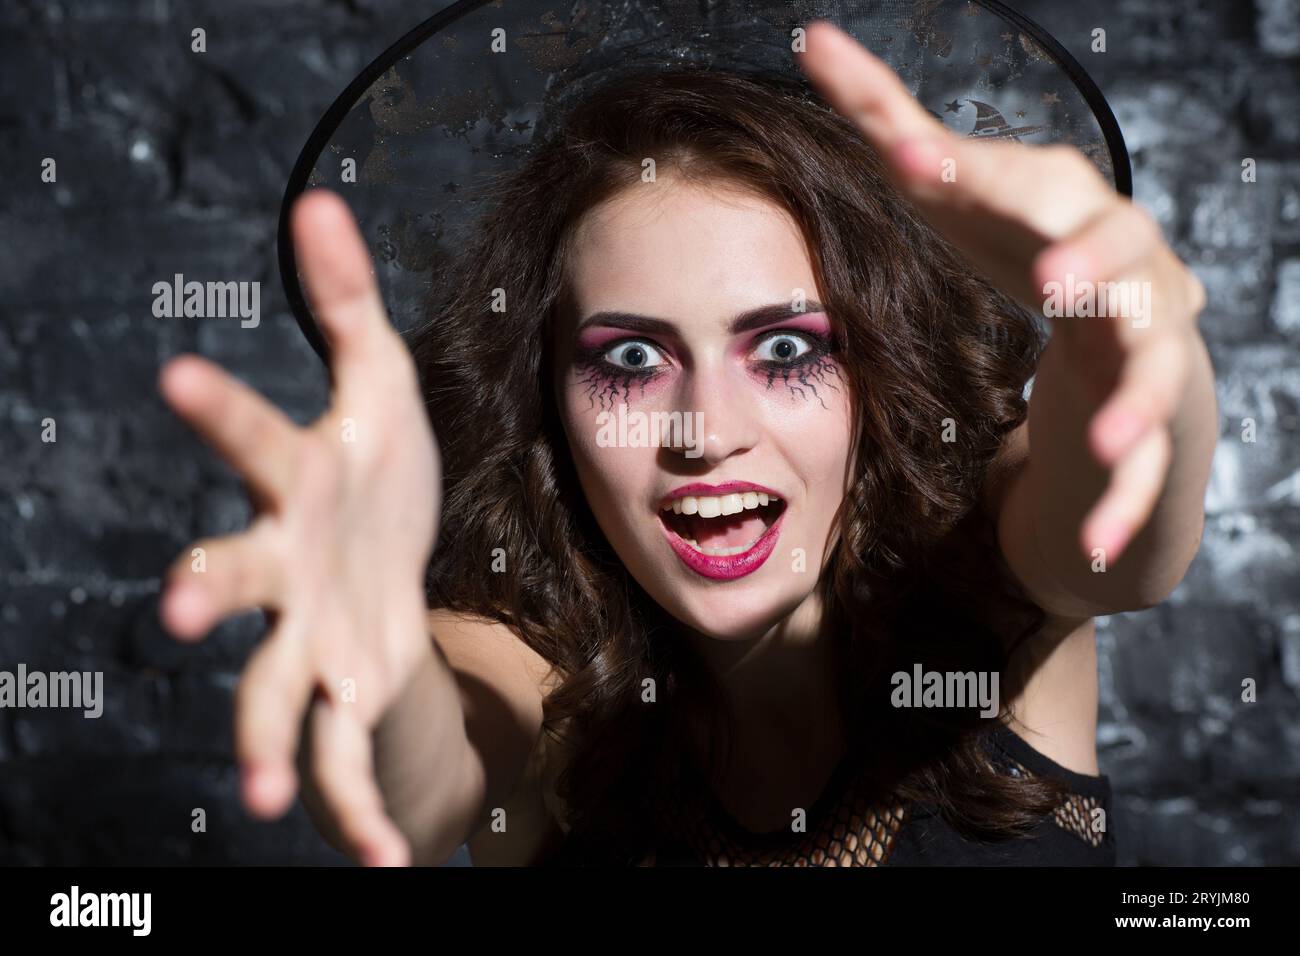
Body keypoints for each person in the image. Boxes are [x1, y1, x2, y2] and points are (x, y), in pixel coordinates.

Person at [156, 21, 1217, 866]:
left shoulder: (989, 589)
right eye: (627, 362)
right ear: (547, 401)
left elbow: (1115, 530)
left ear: (875, 377)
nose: (705, 433)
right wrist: (374, 646)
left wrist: (1126, 324)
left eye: (789, 348)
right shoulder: (532, 681)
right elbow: (420, 787)